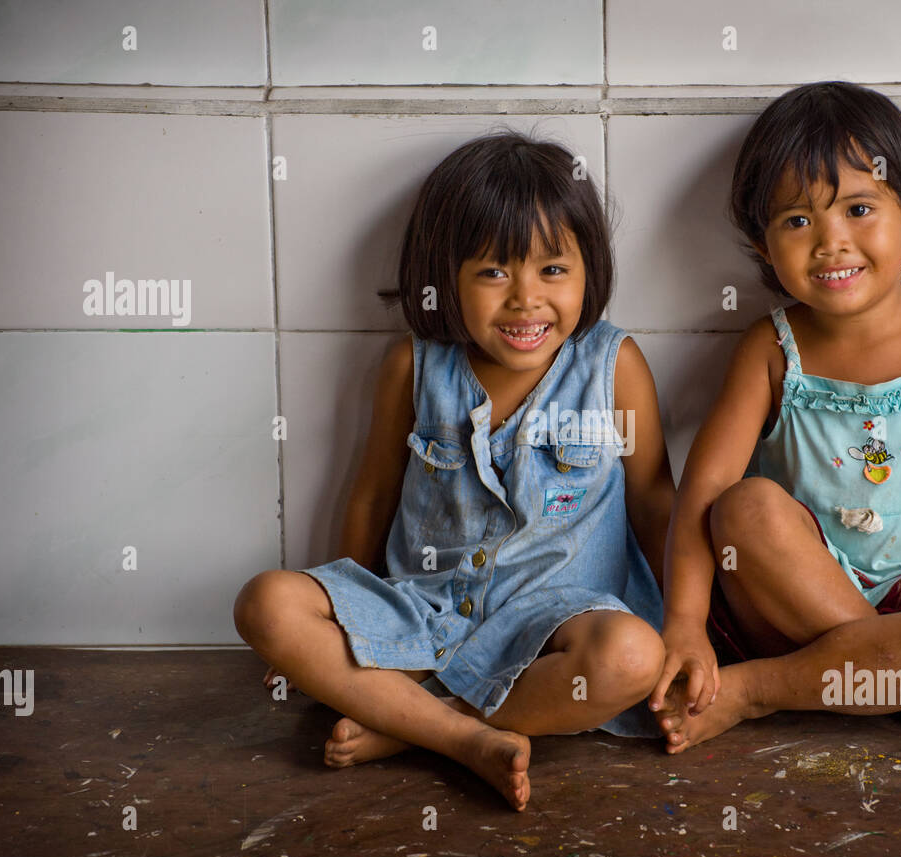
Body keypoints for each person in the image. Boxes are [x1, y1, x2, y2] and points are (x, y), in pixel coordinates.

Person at [234, 132, 674, 810]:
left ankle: (419, 728)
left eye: (552, 270)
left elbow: (651, 500)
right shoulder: (412, 368)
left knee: (631, 657)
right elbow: (374, 491)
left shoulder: (614, 368)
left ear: (590, 271)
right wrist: (346, 620)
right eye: (495, 272)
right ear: (445, 277)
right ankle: (453, 729)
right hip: (426, 609)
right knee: (266, 602)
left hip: (552, 630)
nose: (526, 300)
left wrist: (686, 628)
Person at [651, 81, 901, 758]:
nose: (830, 242)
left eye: (859, 207)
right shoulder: (770, 348)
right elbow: (701, 491)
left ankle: (757, 690)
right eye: (797, 221)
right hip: (788, 601)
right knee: (743, 506)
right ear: (763, 242)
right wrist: (684, 623)